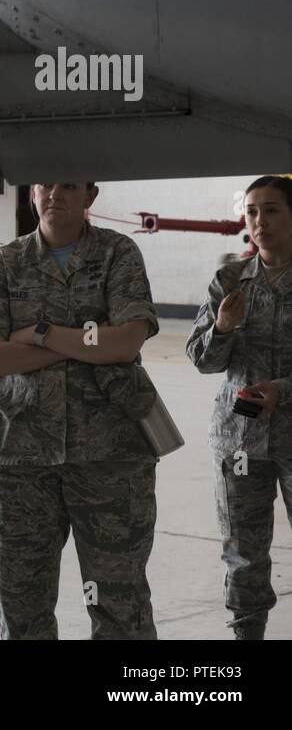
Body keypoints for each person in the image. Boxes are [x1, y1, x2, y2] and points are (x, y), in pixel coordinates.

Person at [0, 181, 161, 639]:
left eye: (68, 185)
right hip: (22, 459)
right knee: (21, 599)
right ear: (31, 194)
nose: (55, 194)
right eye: (45, 184)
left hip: (111, 458)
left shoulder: (118, 254)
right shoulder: (5, 262)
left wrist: (41, 333)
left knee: (119, 600)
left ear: (90, 196)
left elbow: (128, 339)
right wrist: (86, 345)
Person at [187, 175, 292, 640]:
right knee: (243, 556)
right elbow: (203, 361)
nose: (259, 221)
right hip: (239, 442)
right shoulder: (230, 280)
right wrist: (222, 329)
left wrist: (282, 391)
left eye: (271, 209)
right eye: (251, 211)